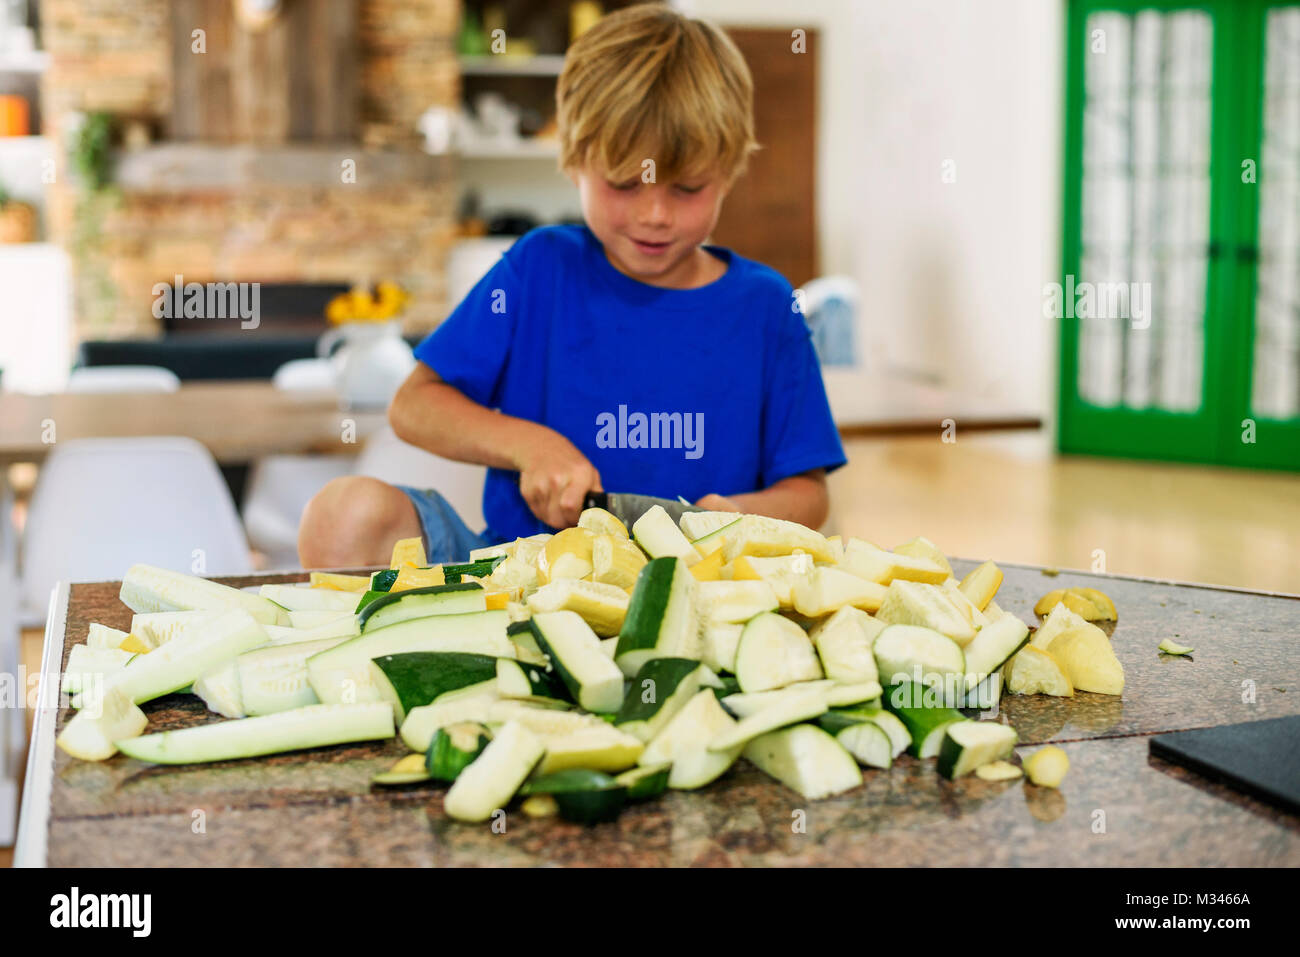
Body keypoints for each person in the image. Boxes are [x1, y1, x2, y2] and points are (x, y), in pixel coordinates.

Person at [298, 3, 847, 568]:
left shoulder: (765, 307)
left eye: (687, 188)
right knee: (345, 514)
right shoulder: (538, 270)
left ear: (729, 171)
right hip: (515, 577)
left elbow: (809, 493)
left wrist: (735, 515)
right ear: (575, 161)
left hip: (700, 587)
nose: (655, 214)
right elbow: (414, 407)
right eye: (623, 184)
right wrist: (528, 445)